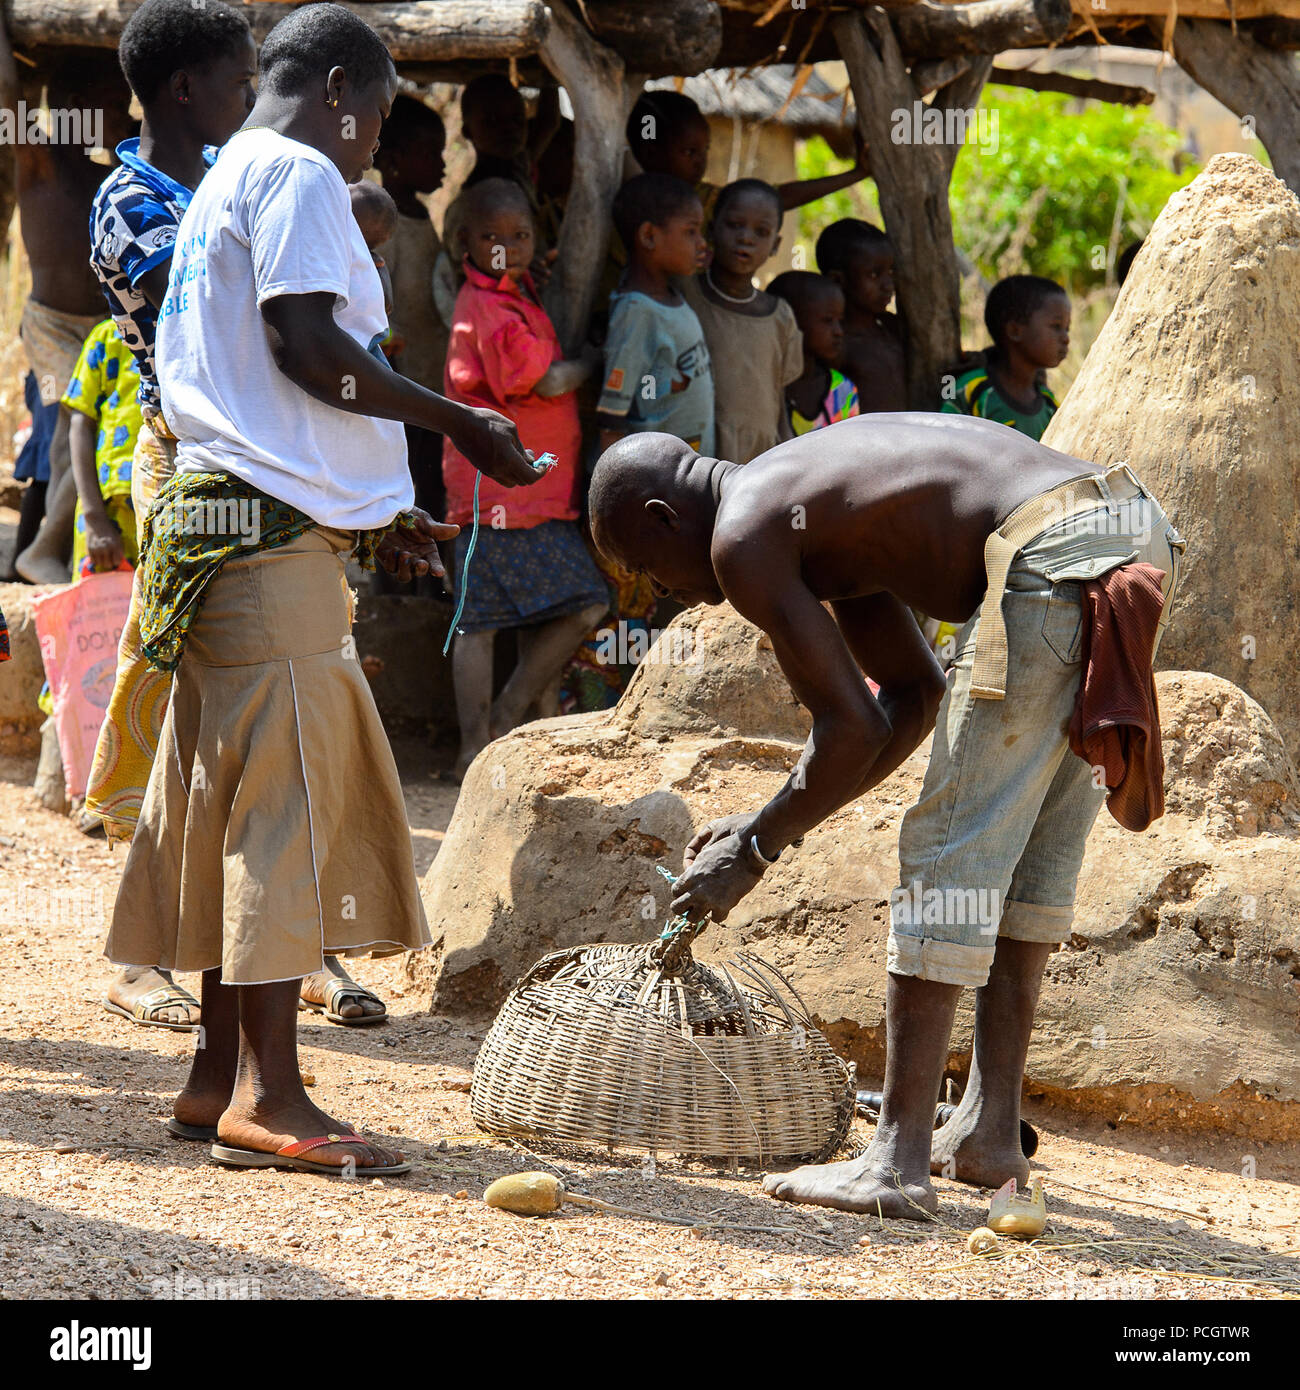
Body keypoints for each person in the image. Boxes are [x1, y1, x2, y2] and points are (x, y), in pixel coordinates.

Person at [105, 3, 540, 1175]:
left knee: (223, 800)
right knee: (282, 809)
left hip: (216, 529)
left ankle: (211, 1077)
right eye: (383, 112)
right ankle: (270, 1093)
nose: (376, 138)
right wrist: (459, 421)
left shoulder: (228, 174)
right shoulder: (293, 170)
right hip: (264, 547)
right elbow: (311, 349)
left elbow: (275, 367)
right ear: (341, 87)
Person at [588, 415, 1184, 1218]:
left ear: (665, 518)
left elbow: (850, 727)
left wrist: (754, 848)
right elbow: (910, 700)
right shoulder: (810, 507)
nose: (664, 595)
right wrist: (765, 831)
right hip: (1127, 525)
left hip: (1050, 552)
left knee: (946, 852)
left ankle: (895, 1163)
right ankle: (987, 1134)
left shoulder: (743, 537)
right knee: (1026, 854)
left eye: (647, 571)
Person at [85, 0, 257, 1033]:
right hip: (193, 469)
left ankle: (283, 946)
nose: (252, 95)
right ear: (186, 88)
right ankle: (139, 951)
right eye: (241, 78)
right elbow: (216, 318)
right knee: (196, 697)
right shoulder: (129, 206)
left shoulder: (222, 177)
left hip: (256, 467)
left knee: (270, 708)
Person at [442, 178, 608, 777]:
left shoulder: (513, 291)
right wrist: (593, 361)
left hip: (520, 489)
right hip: (500, 490)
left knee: (488, 618)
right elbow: (546, 382)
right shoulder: (487, 306)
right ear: (465, 240)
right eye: (491, 236)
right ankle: (490, 731)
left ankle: (490, 734)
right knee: (571, 605)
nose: (506, 247)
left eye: (520, 236)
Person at [12, 56, 136, 584]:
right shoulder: (38, 160)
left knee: (95, 432)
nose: (118, 112)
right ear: (67, 109)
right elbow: (6, 98)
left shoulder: (117, 173)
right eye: (106, 102)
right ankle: (41, 548)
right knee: (65, 419)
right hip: (51, 329)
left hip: (104, 332)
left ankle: (59, 550)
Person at [681, 179, 802, 465]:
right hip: (698, 453)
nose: (746, 238)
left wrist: (789, 456)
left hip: (759, 460)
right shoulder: (685, 293)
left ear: (776, 245)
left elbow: (778, 399)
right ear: (711, 229)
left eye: (761, 232)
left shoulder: (780, 316)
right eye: (735, 225)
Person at [374, 96, 451, 537]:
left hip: (430, 374)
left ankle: (429, 584)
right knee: (411, 482)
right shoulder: (386, 221)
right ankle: (405, 583)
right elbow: (378, 309)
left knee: (431, 479)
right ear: (396, 159)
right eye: (430, 154)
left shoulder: (419, 213)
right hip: (403, 380)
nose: (441, 164)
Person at [627, 90, 870, 219]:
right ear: (650, 153)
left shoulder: (702, 197)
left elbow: (773, 197)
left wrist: (856, 174)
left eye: (705, 150)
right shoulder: (626, 200)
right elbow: (779, 198)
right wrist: (856, 174)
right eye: (689, 152)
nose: (701, 161)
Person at [940, 275, 1070, 441]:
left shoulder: (1049, 404)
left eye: (1067, 328)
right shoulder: (973, 388)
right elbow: (943, 441)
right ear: (1015, 331)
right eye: (1056, 326)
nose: (1066, 338)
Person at [64, 319, 143, 579]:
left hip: (163, 508)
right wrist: (95, 518)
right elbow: (80, 425)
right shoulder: (107, 338)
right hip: (106, 510)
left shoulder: (187, 329)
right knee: (101, 611)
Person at [816, 219, 906, 415]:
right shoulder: (836, 344)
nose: (888, 285)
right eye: (874, 275)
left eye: (891, 272)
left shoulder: (893, 328)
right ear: (838, 280)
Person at [768, 270, 860, 434]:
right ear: (792, 320)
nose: (839, 331)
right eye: (828, 320)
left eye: (840, 321)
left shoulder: (842, 390)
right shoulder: (767, 387)